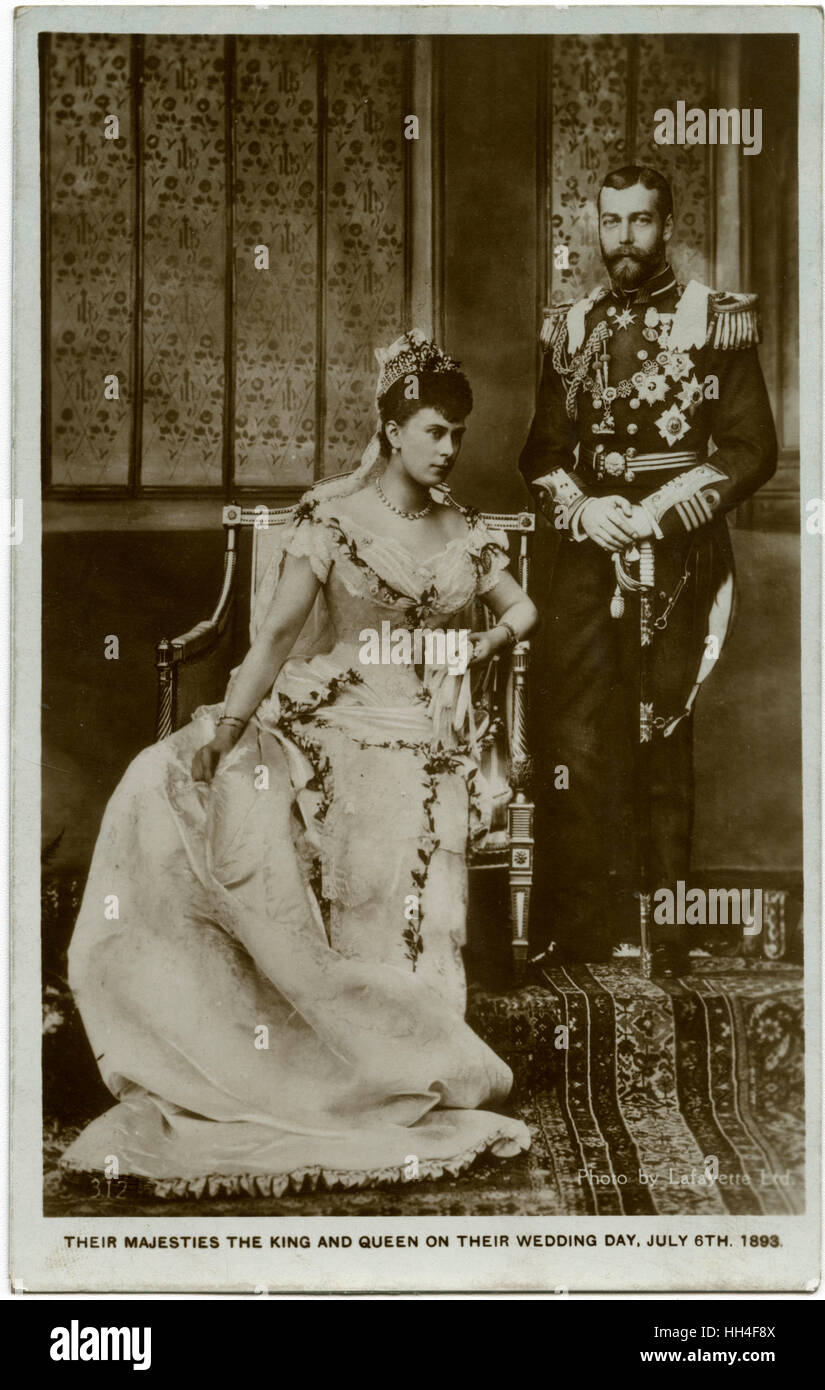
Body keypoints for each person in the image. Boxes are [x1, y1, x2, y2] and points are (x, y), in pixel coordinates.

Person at [60, 330, 536, 1198]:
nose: (449, 448)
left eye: (458, 435)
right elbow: (276, 634)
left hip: (427, 739)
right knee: (176, 790)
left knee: (414, 881)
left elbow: (523, 606)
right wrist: (228, 728)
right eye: (435, 431)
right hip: (333, 723)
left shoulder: (459, 523)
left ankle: (407, 1062)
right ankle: (310, 1065)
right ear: (392, 430)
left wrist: (478, 646)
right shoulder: (331, 520)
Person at [519, 164, 777, 978]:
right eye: (611, 222)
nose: (623, 239)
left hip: (675, 556)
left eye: (639, 222)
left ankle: (664, 932)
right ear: (595, 227)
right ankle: (583, 927)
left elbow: (749, 449)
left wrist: (660, 511)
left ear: (666, 226)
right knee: (577, 730)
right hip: (588, 553)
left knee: (661, 730)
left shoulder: (713, 320)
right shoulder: (572, 327)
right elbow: (540, 452)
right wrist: (583, 508)